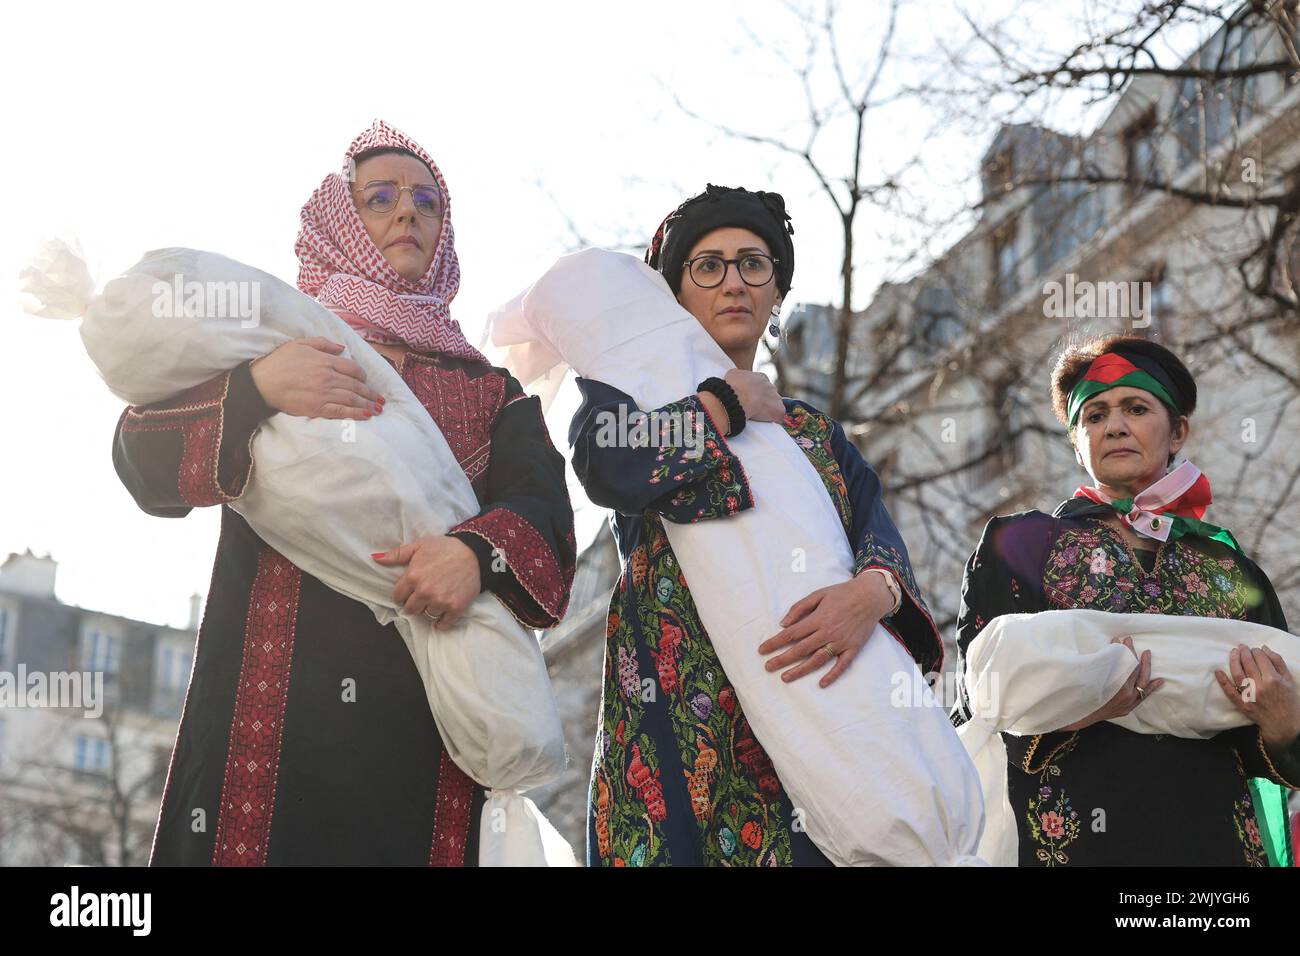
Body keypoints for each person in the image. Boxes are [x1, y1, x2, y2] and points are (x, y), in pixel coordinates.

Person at [115, 120, 575, 866]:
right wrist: (257, 387)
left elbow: (548, 524)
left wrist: (474, 555)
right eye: (382, 198)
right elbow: (141, 459)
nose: (408, 214)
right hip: (262, 734)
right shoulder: (270, 342)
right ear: (340, 220)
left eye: (428, 202)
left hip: (425, 739)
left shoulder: (491, 393)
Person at [572, 184, 942, 866]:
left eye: (753, 263)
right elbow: (605, 464)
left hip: (812, 713)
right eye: (707, 266)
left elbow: (878, 535)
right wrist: (720, 406)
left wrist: (868, 597)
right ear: (676, 296)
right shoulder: (639, 395)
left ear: (777, 291)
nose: (733, 282)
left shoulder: (816, 434)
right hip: (675, 719)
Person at [953, 335, 1300, 866]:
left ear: (1178, 430)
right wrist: (1074, 708)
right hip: (1075, 844)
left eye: (1136, 408)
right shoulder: (1019, 544)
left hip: (1214, 852)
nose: (1113, 426)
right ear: (1076, 440)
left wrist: (1282, 727)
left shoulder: (1232, 571)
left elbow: (1267, 740)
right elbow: (978, 704)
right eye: (1093, 416)